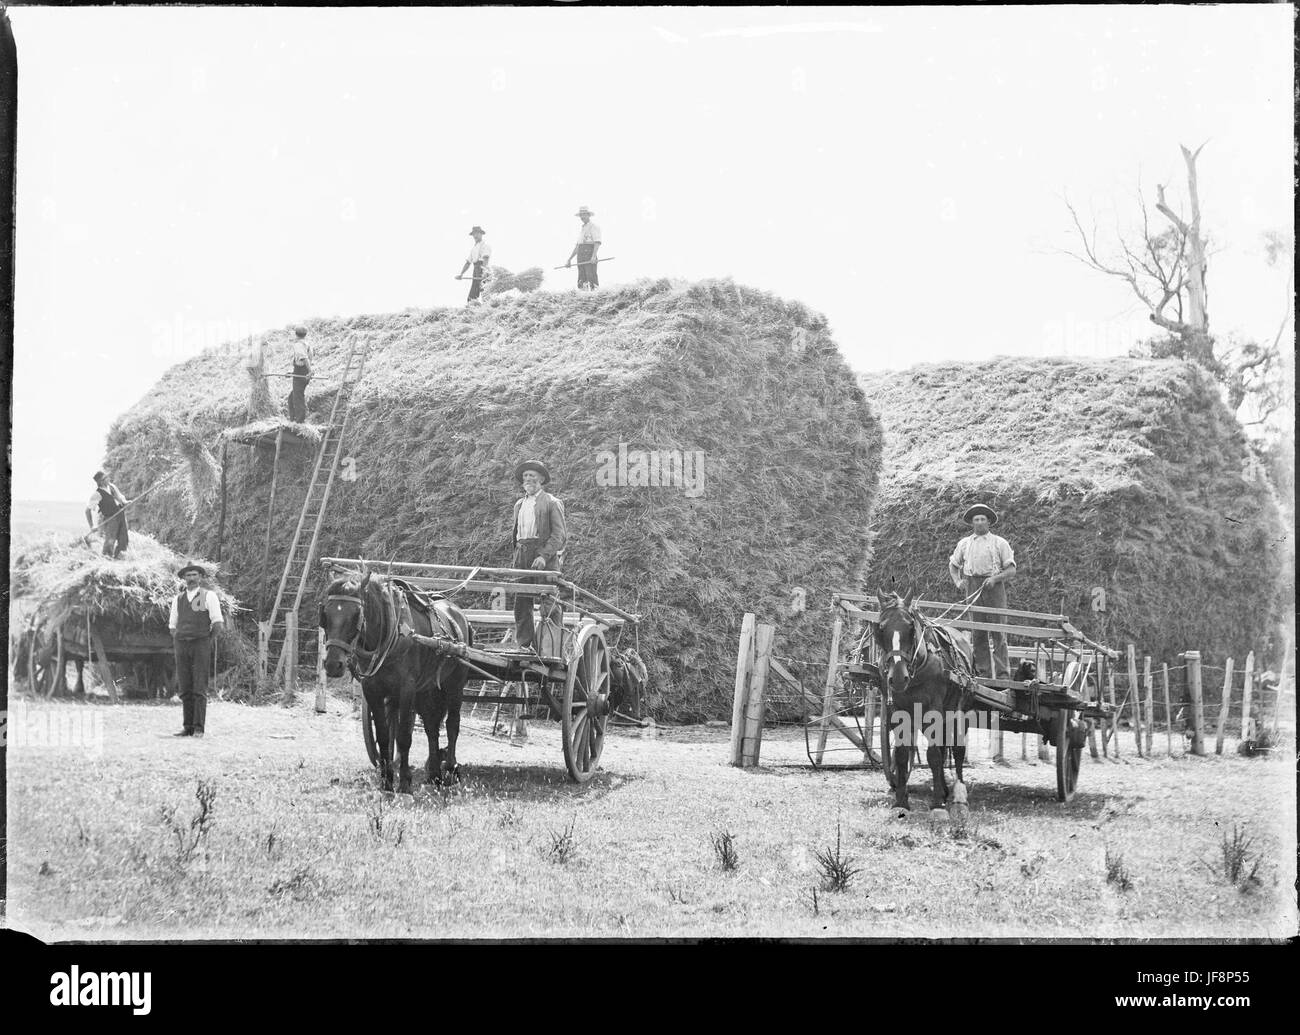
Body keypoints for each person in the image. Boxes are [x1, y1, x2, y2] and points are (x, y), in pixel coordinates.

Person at [948, 503, 1016, 679]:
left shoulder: (1000, 543)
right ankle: (983, 673)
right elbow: (953, 565)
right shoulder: (964, 544)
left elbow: (1011, 570)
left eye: (982, 519)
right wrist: (957, 581)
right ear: (972, 523)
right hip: (972, 587)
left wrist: (995, 579)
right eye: (976, 520)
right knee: (978, 633)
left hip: (994, 588)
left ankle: (1002, 675)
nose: (979, 523)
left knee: (998, 633)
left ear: (989, 522)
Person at [509, 460, 567, 656]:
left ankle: (550, 649)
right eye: (525, 476)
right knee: (521, 601)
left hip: (543, 557)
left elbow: (559, 536)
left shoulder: (552, 502)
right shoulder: (519, 504)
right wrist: (518, 555)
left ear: (541, 479)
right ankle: (524, 646)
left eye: (532, 476)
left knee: (548, 602)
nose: (528, 479)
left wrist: (543, 555)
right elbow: (516, 534)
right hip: (522, 555)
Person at [169, 563, 224, 738]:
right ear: (184, 579)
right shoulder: (178, 599)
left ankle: (199, 728)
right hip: (182, 644)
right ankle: (188, 727)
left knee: (199, 686)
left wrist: (206, 640)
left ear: (200, 577)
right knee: (185, 686)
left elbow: (217, 624)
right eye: (188, 576)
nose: (191, 578)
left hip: (201, 643)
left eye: (194, 575)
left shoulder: (209, 596)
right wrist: (179, 638)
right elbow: (172, 625)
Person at [85, 470, 131, 558]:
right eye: (105, 478)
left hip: (120, 515)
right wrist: (92, 526)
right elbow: (87, 511)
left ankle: (119, 558)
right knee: (110, 541)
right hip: (111, 519)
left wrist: (125, 502)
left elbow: (120, 497)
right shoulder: (97, 494)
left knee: (124, 539)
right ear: (101, 481)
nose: (108, 478)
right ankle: (106, 559)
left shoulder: (112, 487)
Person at [565, 206, 601, 290]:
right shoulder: (583, 228)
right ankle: (582, 296)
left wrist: (593, 256)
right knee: (581, 278)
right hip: (581, 254)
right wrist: (569, 259)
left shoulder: (593, 226)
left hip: (589, 253)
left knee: (591, 276)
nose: (582, 217)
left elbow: (597, 242)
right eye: (581, 215)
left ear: (589, 215)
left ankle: (594, 294)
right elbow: (578, 246)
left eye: (584, 214)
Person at [460, 226, 491, 303]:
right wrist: (461, 274)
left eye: (477, 233)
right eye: (474, 234)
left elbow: (485, 259)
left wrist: (484, 272)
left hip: (483, 269)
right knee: (472, 298)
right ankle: (472, 310)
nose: (475, 236)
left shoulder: (485, 245)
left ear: (481, 234)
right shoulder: (473, 248)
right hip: (475, 271)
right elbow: (468, 263)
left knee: (486, 295)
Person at [288, 326, 312, 423]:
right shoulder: (306, 343)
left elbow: (304, 358)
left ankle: (299, 422)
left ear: (296, 334)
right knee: (292, 397)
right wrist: (293, 373)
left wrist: (310, 371)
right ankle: (293, 419)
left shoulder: (298, 345)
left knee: (297, 397)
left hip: (301, 371)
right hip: (301, 371)